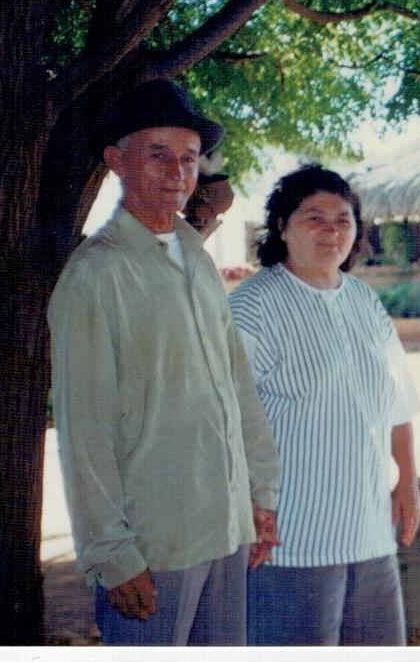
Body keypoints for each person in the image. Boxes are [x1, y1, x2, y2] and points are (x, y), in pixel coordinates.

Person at [48, 80, 281, 646]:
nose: (177, 172)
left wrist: (261, 495)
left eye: (187, 159)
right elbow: (86, 432)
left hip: (225, 529)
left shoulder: (197, 261)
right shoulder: (93, 278)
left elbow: (237, 388)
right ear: (116, 161)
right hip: (155, 543)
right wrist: (112, 551)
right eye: (158, 156)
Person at [228, 165, 420, 646]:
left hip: (370, 531)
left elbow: (398, 401)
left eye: (343, 219)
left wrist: (409, 483)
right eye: (314, 217)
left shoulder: (363, 299)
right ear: (282, 226)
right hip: (290, 538)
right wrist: (244, 506)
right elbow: (222, 420)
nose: (331, 230)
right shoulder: (252, 306)